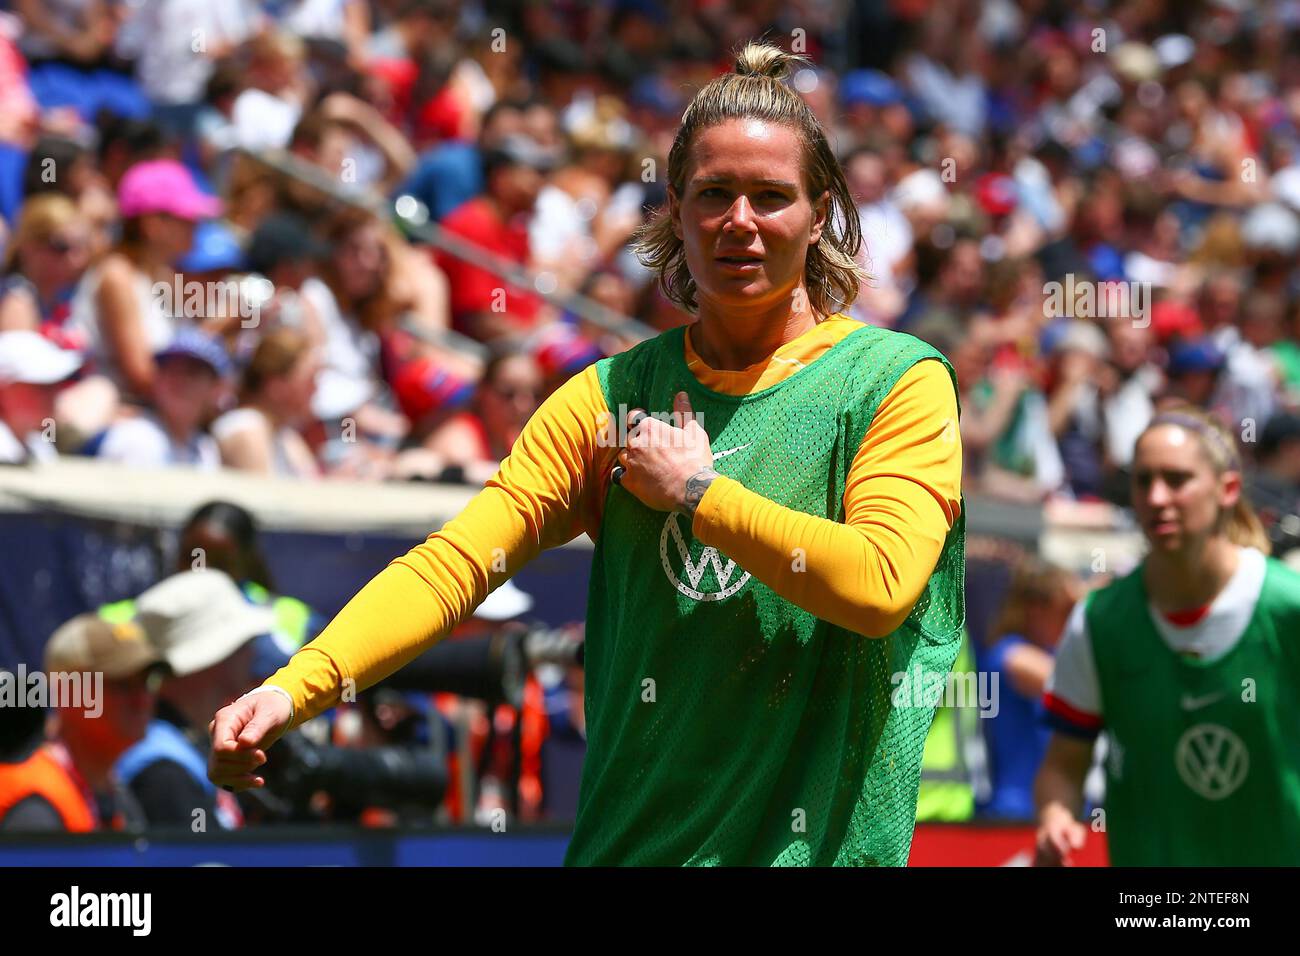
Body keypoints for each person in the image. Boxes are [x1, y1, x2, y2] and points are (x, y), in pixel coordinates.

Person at [210, 42, 965, 867]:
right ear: (676, 208)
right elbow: (454, 565)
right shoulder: (605, 398)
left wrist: (700, 494)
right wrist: (295, 687)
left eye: (771, 197)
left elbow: (881, 585)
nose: (740, 221)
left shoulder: (896, 384)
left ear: (819, 215)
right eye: (714, 194)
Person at [1034, 405, 1300, 865]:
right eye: (1143, 480)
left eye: (1177, 480)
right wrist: (1055, 816)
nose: (1157, 498)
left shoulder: (1286, 606)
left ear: (1228, 489)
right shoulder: (1101, 620)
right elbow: (1064, 762)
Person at [117, 568, 273, 829]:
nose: (253, 651)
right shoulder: (164, 772)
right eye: (244, 641)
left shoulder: (186, 743)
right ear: (215, 656)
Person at [0, 615, 161, 832]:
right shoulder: (35, 807)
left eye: (146, 682)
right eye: (122, 685)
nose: (142, 700)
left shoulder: (115, 793)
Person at [95, 329, 228, 469]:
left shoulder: (205, 448)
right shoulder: (137, 437)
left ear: (215, 388)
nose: (180, 380)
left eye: (192, 372)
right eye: (171, 369)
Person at [0, 329, 82, 464]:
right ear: (3, 390)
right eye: (40, 386)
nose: (52, 394)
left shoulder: (40, 446)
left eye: (55, 384)